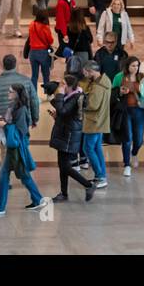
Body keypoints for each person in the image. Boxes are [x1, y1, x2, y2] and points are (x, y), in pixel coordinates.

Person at [0, 84, 45, 216]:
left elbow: (20, 131)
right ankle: (38, 199)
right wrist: (1, 121)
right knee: (20, 176)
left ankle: (0, 207)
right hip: (13, 148)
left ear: (18, 94)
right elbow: (11, 124)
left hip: (16, 148)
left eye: (11, 92)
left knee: (10, 177)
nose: (8, 93)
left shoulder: (21, 109)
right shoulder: (13, 107)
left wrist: (5, 124)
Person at [48, 74, 95, 202]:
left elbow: (63, 111)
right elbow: (64, 114)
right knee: (62, 165)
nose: (60, 86)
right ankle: (63, 193)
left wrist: (59, 94)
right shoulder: (71, 96)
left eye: (63, 84)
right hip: (65, 133)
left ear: (69, 86)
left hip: (69, 135)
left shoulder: (75, 97)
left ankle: (88, 185)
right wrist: (56, 117)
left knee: (65, 167)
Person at [114, 56, 144, 177]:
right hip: (125, 110)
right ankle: (126, 164)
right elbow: (113, 92)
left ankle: (134, 153)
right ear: (127, 66)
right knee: (127, 138)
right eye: (133, 65)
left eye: (137, 65)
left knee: (139, 139)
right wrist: (121, 91)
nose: (135, 68)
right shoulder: (119, 77)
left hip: (139, 111)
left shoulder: (142, 78)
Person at [79, 59, 111, 188]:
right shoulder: (105, 81)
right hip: (101, 120)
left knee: (88, 148)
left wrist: (81, 100)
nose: (85, 75)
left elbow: (92, 105)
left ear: (91, 71)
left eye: (86, 73)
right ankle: (101, 175)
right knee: (97, 149)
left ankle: (100, 176)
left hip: (93, 122)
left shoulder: (97, 87)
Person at [26, 7, 55, 88]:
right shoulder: (45, 27)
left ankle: (34, 94)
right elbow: (50, 40)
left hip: (33, 52)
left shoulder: (32, 25)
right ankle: (47, 93)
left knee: (34, 75)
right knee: (46, 75)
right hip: (43, 53)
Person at [67, 7, 94, 76]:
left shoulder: (69, 28)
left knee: (73, 76)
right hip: (84, 54)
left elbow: (68, 43)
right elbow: (91, 40)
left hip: (72, 55)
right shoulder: (85, 28)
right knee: (84, 76)